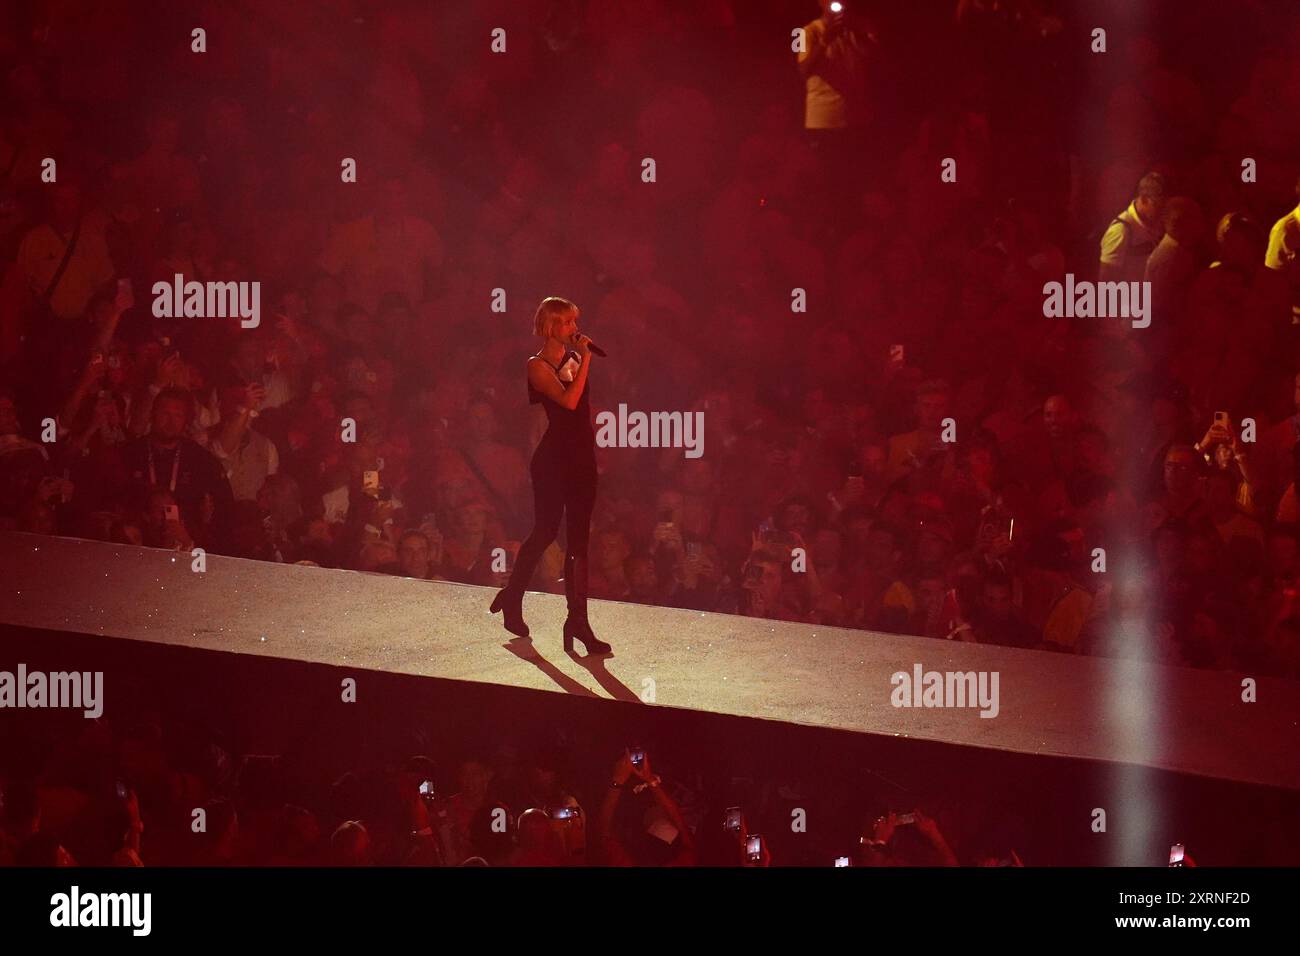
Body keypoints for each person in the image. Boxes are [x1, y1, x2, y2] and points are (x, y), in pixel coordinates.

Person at [489, 297, 611, 655]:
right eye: (568, 323)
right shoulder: (536, 365)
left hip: (581, 457)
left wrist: (582, 358)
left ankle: (578, 621)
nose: (576, 329)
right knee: (545, 530)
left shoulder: (573, 358)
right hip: (553, 461)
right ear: (551, 327)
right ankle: (513, 596)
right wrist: (586, 357)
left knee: (579, 542)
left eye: (576, 322)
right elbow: (568, 402)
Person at [1099, 171, 1166, 282]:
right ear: (1144, 199)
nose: (1163, 211)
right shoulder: (1120, 230)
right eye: (1160, 205)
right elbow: (1106, 283)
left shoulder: (1156, 223)